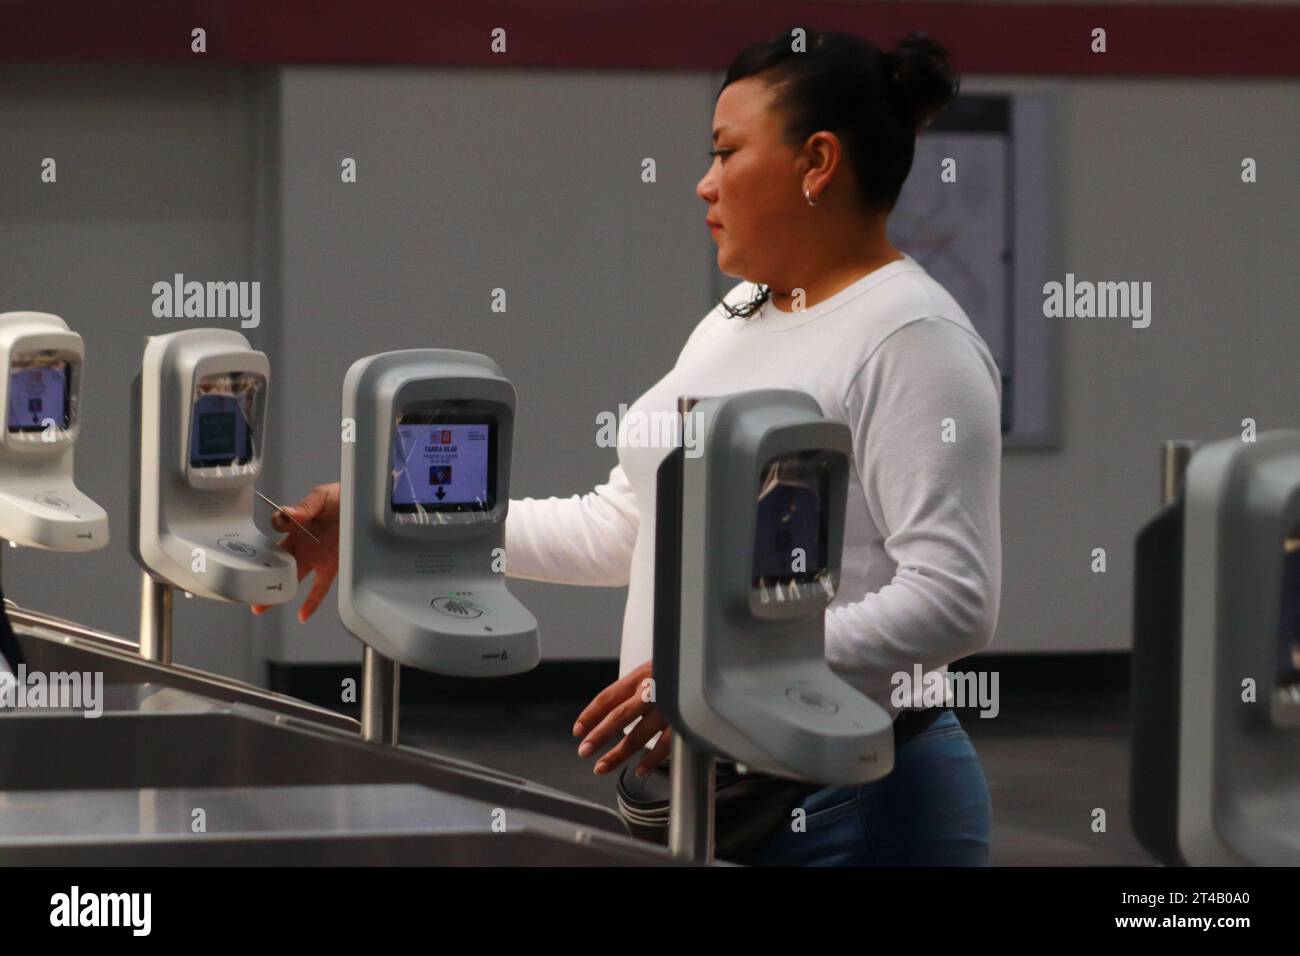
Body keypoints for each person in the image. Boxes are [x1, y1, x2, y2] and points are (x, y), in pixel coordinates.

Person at [257, 28, 1002, 866]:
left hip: (856, 805)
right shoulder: (742, 312)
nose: (703, 183)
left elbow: (953, 597)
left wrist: (709, 667)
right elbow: (624, 524)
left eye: (726, 152)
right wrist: (382, 524)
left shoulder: (912, 337)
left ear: (817, 162)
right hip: (713, 787)